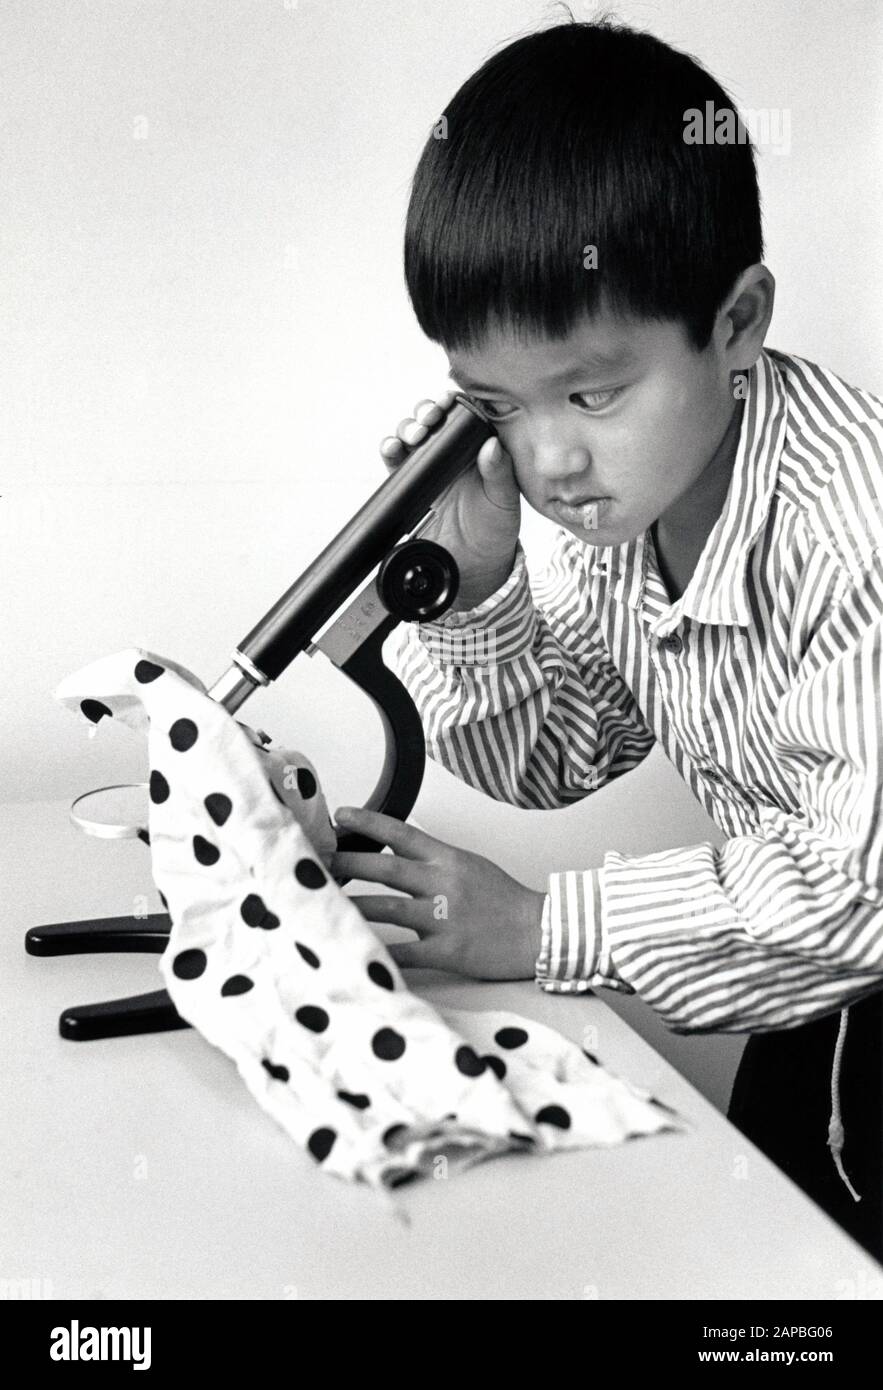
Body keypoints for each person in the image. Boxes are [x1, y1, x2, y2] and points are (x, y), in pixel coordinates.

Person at [328, 18, 883, 1261]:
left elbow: (860, 891)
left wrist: (543, 927)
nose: (550, 458)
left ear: (736, 322)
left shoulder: (857, 532)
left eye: (590, 392)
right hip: (813, 1002)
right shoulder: (623, 495)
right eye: (495, 406)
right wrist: (478, 593)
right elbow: (558, 757)